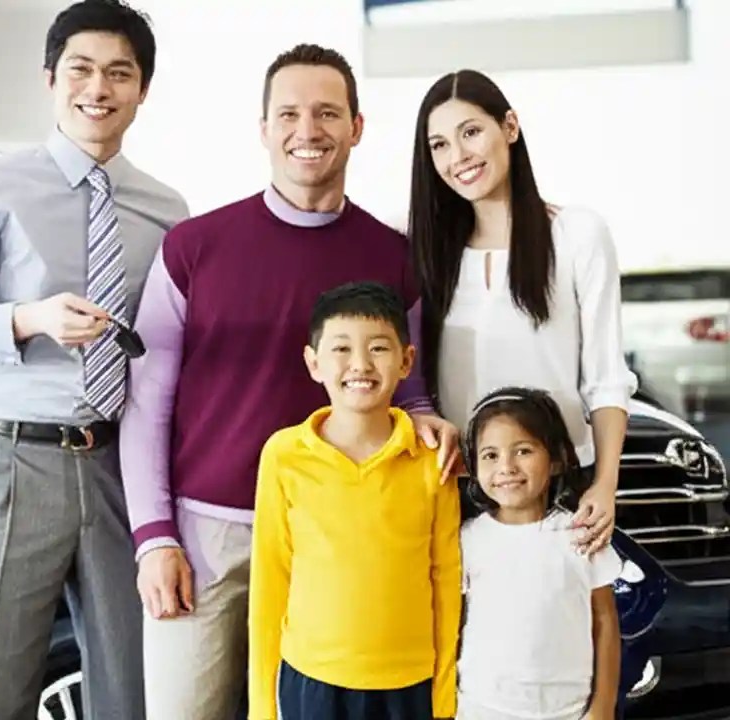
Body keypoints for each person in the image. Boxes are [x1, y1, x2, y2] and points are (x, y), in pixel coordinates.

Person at [119, 43, 459, 720]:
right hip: (208, 537)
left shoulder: (394, 256)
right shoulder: (193, 247)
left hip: (341, 540)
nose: (309, 130)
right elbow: (147, 401)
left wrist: (428, 420)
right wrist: (154, 537)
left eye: (328, 113)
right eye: (290, 114)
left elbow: (408, 384)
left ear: (356, 128)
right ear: (264, 128)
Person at [0, 1, 188, 718]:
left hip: (119, 467)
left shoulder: (168, 211)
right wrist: (28, 319)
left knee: (133, 693)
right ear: (50, 79)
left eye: (119, 73)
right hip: (16, 460)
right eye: (81, 69)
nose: (98, 88)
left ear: (142, 89)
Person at [407, 69, 637, 557]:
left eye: (471, 132)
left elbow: (606, 378)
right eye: (439, 145)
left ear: (509, 127)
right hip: (460, 487)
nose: (458, 156)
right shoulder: (424, 249)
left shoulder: (577, 234)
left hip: (559, 486)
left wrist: (605, 485)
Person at [248, 281, 462, 720]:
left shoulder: (431, 458)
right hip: (312, 679)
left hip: (409, 683)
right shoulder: (284, 455)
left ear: (406, 361)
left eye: (379, 348)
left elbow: (446, 579)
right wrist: (262, 708)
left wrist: (444, 699)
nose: (360, 364)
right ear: (314, 363)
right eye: (341, 349)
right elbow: (269, 582)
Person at [456, 386, 623, 720]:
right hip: (480, 709)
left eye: (523, 451)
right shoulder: (467, 540)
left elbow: (605, 621)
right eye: (490, 455)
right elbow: (454, 625)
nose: (506, 467)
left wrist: (603, 707)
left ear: (556, 459)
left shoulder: (581, 534)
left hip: (568, 712)